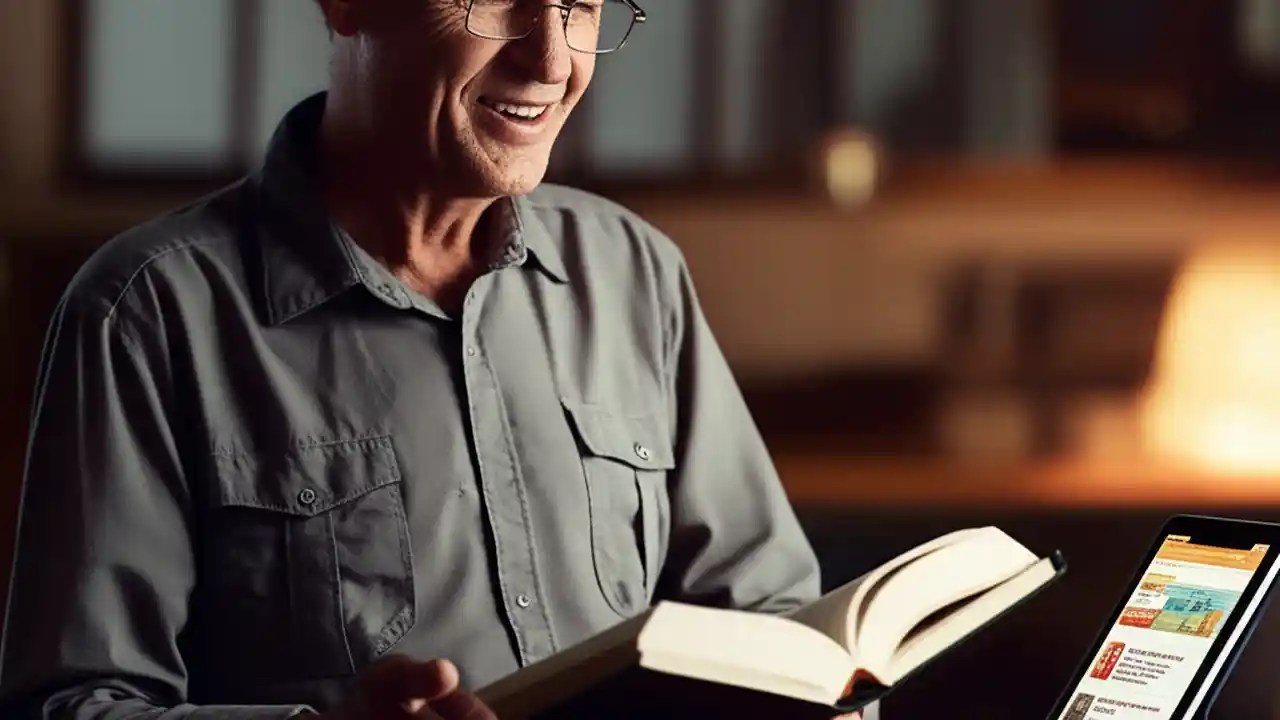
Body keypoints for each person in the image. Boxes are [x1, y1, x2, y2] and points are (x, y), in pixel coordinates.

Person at [0, 0, 867, 718]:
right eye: (497, 3)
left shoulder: (634, 272)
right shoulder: (148, 311)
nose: (551, 60)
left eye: (580, 6)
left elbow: (773, 624)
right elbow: (78, 703)